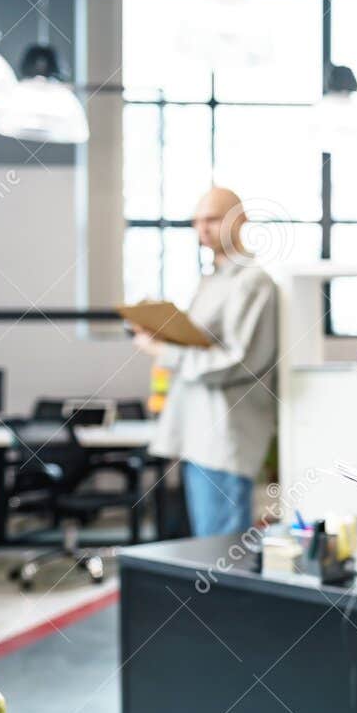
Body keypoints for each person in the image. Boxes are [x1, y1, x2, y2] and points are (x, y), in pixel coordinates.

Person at [135, 187, 279, 537]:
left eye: (212, 219)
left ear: (240, 220)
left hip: (224, 438)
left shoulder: (252, 282)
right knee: (207, 545)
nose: (203, 228)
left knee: (221, 551)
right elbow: (201, 344)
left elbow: (237, 361)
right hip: (197, 435)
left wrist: (163, 352)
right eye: (197, 221)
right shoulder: (212, 280)